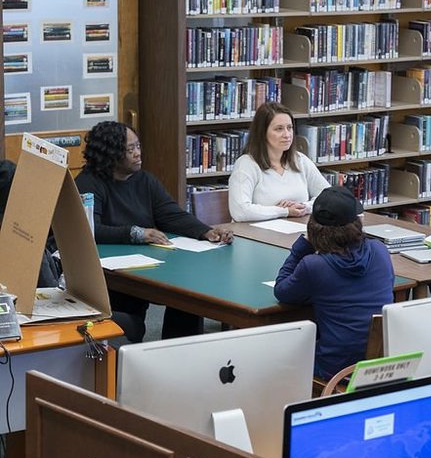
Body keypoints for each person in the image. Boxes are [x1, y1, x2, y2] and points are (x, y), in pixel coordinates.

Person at [75, 120, 233, 342]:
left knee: (187, 296)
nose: (138, 153)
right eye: (130, 149)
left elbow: (171, 214)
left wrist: (205, 231)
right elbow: (90, 230)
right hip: (109, 272)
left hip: (146, 264)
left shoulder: (145, 180)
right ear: (111, 153)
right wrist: (137, 233)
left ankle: (177, 354)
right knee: (130, 325)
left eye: (138, 146)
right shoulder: (88, 183)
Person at [274, 185, 394, 379]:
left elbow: (282, 290)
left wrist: (303, 245)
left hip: (335, 369)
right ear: (356, 223)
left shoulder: (314, 266)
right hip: (379, 364)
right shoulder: (379, 250)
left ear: (313, 227)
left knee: (280, 356)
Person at [228, 101, 329, 222]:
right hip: (255, 235)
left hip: (295, 230)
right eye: (279, 129)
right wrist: (284, 211)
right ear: (263, 133)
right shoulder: (246, 164)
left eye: (289, 128)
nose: (287, 135)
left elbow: (329, 197)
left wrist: (304, 207)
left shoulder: (299, 160)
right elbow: (240, 211)